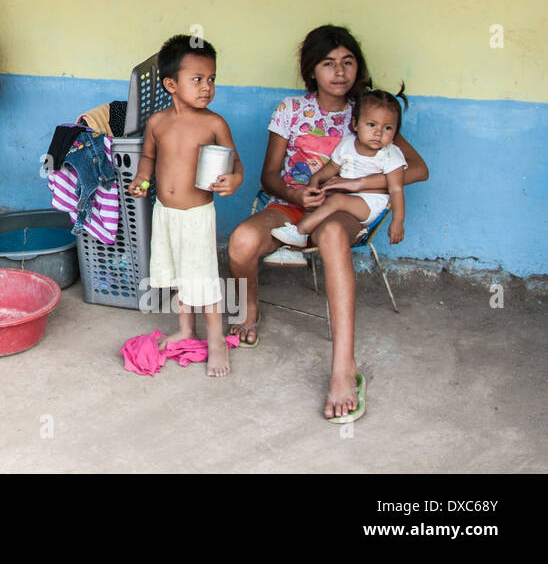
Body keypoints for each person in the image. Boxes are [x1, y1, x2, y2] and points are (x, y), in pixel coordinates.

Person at [226, 25, 429, 422]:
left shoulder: (371, 112)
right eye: (328, 63)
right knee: (240, 240)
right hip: (293, 204)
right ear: (311, 70)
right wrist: (297, 194)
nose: (339, 72)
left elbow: (417, 169)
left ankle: (343, 368)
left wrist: (356, 183)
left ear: (359, 68)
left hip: (344, 211)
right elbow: (268, 175)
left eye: (348, 62)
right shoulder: (290, 110)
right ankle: (249, 308)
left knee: (333, 231)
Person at [127, 35, 243, 378]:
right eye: (197, 79)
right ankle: (186, 329)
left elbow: (235, 163)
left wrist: (233, 180)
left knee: (203, 279)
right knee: (180, 274)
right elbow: (148, 158)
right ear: (171, 84)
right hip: (165, 213)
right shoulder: (158, 123)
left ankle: (217, 339)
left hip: (196, 215)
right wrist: (142, 180)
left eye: (211, 79)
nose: (207, 87)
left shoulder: (213, 123)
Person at [272, 89, 407, 248]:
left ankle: (300, 231)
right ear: (355, 124)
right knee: (320, 197)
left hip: (371, 204)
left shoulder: (391, 154)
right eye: (371, 125)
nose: (378, 133)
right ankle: (292, 249)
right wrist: (315, 180)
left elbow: (396, 190)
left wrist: (397, 222)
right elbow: (332, 166)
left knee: (336, 200)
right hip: (348, 197)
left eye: (388, 128)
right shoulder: (348, 144)